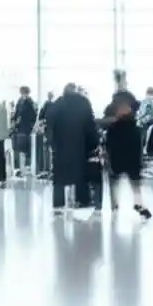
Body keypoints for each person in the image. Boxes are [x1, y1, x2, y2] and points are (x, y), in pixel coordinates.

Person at [102, 70, 150, 219]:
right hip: (128, 141)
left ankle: (116, 206)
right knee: (133, 176)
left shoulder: (113, 106)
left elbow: (106, 120)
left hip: (118, 142)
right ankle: (136, 203)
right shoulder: (130, 104)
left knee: (116, 176)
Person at [46, 83, 98, 214]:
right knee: (81, 173)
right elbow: (90, 125)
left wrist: (52, 143)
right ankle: (82, 199)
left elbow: (50, 124)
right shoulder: (83, 103)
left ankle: (58, 201)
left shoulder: (57, 104)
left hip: (61, 144)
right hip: (80, 143)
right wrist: (93, 143)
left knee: (59, 174)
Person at [12, 86, 37, 174]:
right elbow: (16, 113)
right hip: (20, 127)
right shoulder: (19, 101)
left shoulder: (29, 101)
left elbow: (33, 115)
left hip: (26, 127)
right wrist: (14, 120)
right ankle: (19, 165)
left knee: (26, 146)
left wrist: (30, 124)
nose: (23, 94)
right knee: (19, 146)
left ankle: (27, 164)